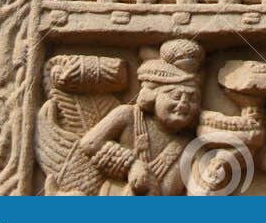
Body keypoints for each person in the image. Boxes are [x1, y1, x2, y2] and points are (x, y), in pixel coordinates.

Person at [78, 40, 203, 196]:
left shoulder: (188, 143)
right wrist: (131, 165)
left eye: (193, 99)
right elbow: (90, 143)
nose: (184, 105)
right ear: (153, 95)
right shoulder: (128, 115)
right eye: (176, 96)